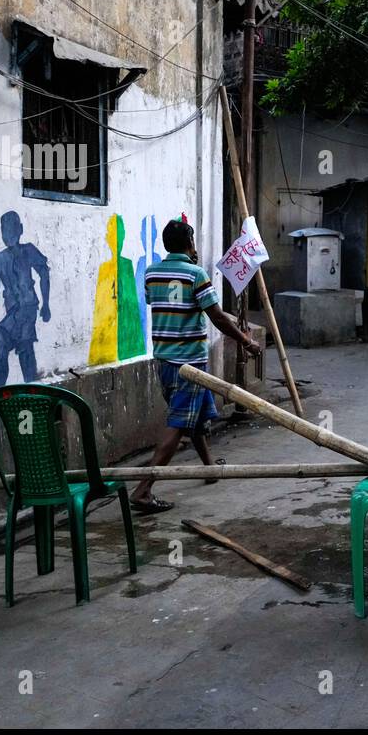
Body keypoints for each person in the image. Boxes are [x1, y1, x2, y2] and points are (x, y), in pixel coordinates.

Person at [129, 217, 262, 514]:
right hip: (188, 362)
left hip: (164, 360)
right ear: (190, 244)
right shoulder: (195, 274)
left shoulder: (152, 273)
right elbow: (215, 315)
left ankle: (209, 468)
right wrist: (246, 341)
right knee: (178, 423)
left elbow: (160, 302)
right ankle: (143, 490)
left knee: (196, 416)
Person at [0, 211, 51, 387]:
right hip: (13, 311)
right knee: (9, 347)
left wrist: (46, 304)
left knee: (7, 344)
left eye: (12, 229)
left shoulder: (28, 250)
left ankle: (27, 390)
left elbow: (44, 273)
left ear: (20, 229)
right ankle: (2, 393)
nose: (8, 234)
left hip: (28, 308)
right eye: (4, 230)